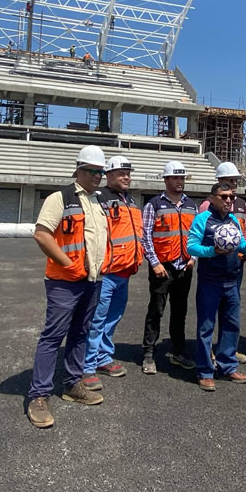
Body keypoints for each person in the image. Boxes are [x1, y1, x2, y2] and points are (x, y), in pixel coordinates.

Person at [26, 145, 110, 429]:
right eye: (92, 170)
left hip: (92, 281)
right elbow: (41, 235)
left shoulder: (97, 202)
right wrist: (68, 263)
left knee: (80, 333)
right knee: (53, 337)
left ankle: (73, 385)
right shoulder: (60, 198)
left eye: (100, 171)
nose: (97, 175)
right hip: (64, 282)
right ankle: (38, 395)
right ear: (78, 170)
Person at [189, 182, 246, 391]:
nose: (228, 201)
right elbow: (191, 246)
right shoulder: (202, 219)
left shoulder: (234, 220)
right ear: (213, 198)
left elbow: (238, 246)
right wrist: (213, 251)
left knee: (231, 326)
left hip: (231, 280)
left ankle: (227, 366)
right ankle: (205, 371)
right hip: (210, 281)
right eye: (224, 196)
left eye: (231, 197)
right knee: (206, 327)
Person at [81, 156, 143, 390]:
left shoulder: (132, 202)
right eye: (120, 173)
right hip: (106, 273)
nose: (126, 177)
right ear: (108, 175)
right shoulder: (99, 199)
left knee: (112, 318)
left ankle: (103, 358)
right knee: (96, 320)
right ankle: (87, 367)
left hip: (125, 271)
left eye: (128, 173)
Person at [139, 161, 198, 374]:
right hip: (162, 268)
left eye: (182, 178)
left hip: (185, 267)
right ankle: (148, 353)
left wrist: (193, 258)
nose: (179, 181)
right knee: (156, 310)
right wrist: (154, 263)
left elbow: (196, 235)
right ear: (166, 180)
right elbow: (145, 236)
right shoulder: (153, 205)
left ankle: (178, 351)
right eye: (175, 178)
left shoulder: (192, 205)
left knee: (180, 311)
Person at [199, 162, 246, 363]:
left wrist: (244, 250)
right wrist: (212, 252)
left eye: (235, 181)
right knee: (208, 315)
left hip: (234, 266)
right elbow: (200, 237)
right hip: (212, 269)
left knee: (230, 314)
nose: (233, 185)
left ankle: (226, 352)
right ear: (219, 181)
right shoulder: (206, 206)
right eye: (229, 180)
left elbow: (244, 230)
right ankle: (209, 353)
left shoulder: (241, 204)